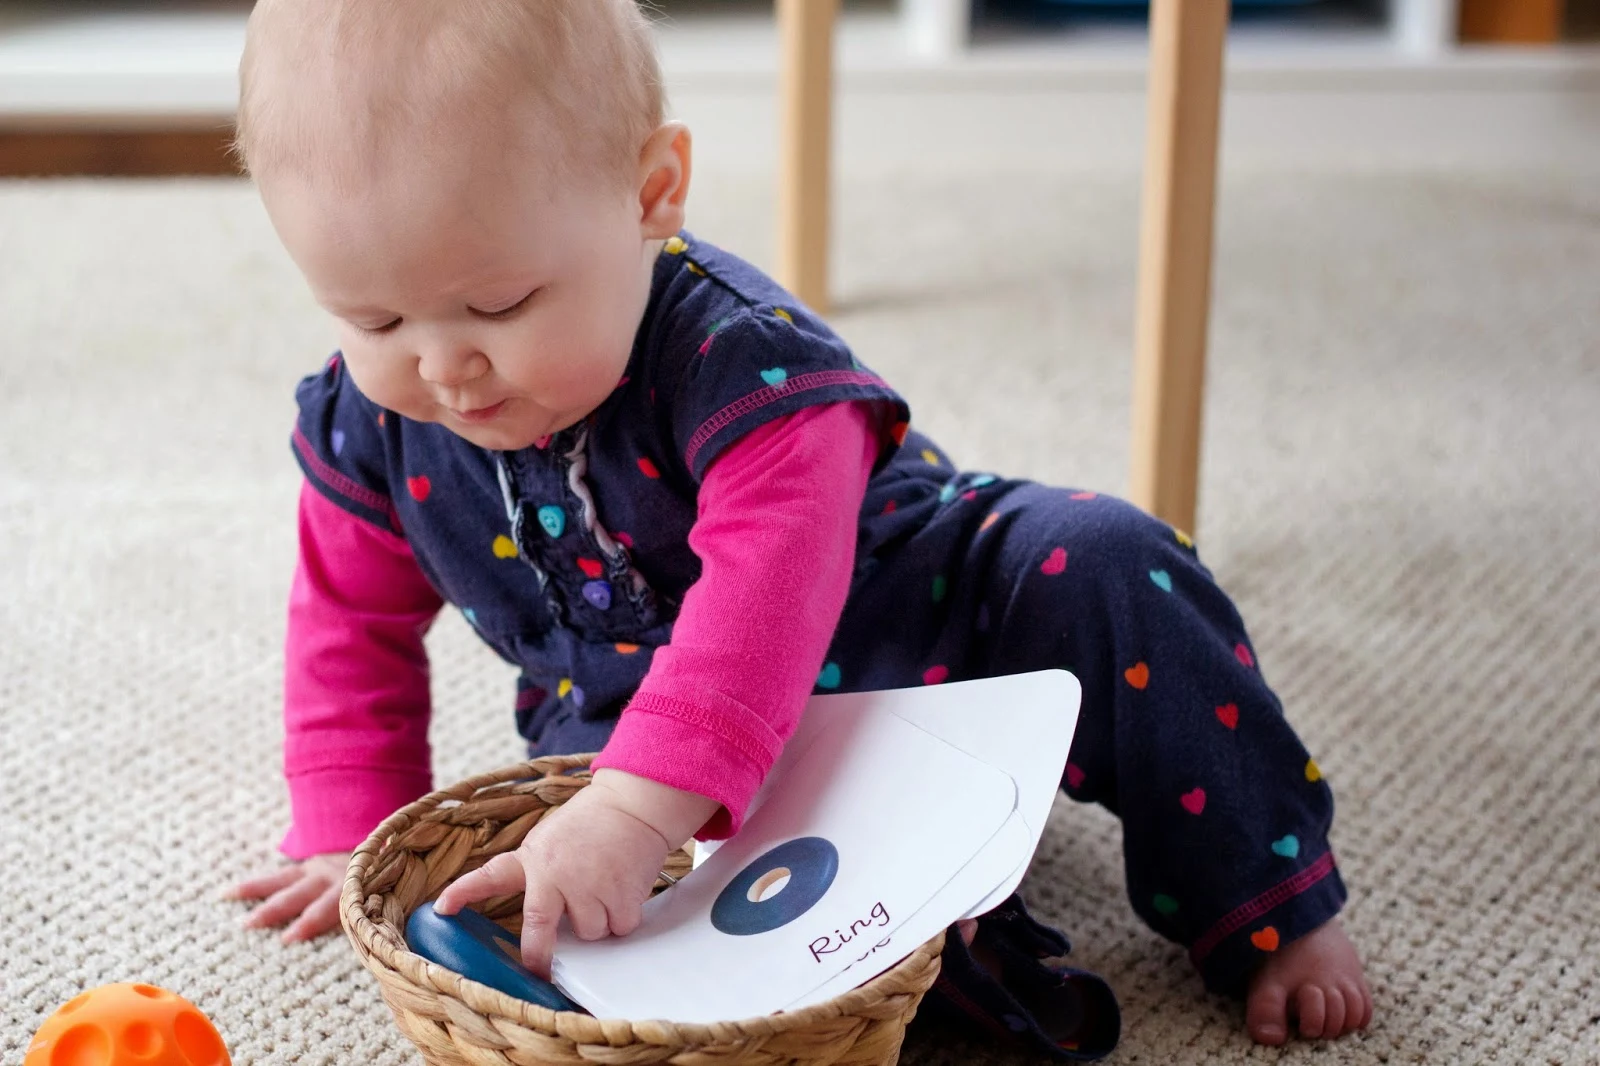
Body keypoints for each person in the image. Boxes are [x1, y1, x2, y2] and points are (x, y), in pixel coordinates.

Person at [225, 0, 1372, 1053]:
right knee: (710, 948)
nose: (441, 366)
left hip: (928, 626)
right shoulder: (374, 425)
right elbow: (347, 623)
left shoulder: (748, 365)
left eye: (497, 303)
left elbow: (761, 602)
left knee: (1113, 560)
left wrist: (634, 808)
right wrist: (351, 826)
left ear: (651, 191)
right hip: (636, 716)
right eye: (372, 318)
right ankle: (936, 926)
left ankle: (1263, 900)